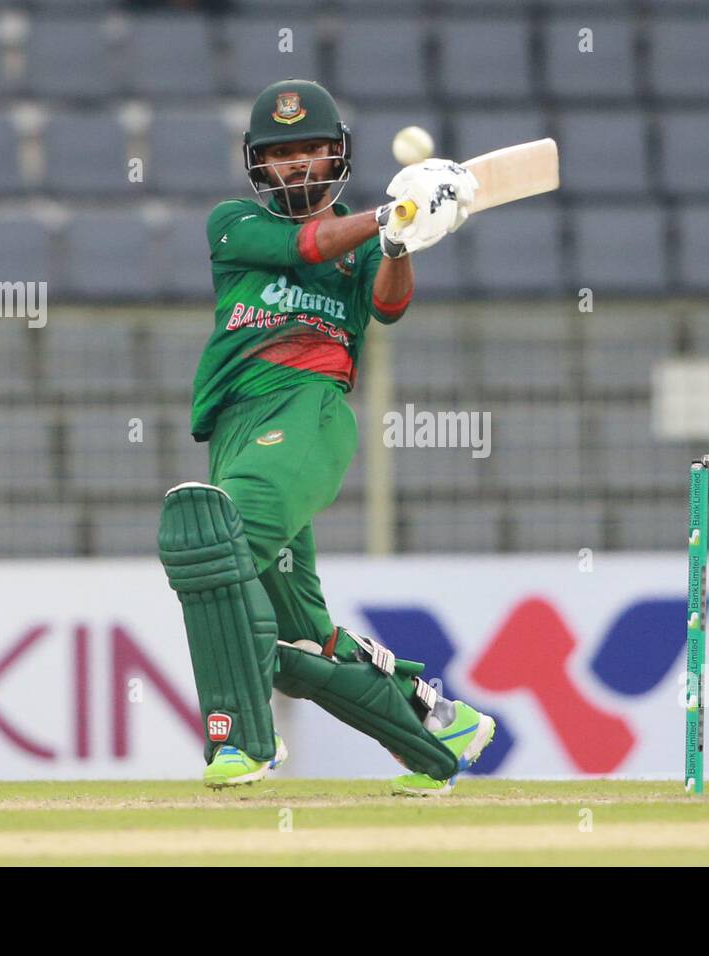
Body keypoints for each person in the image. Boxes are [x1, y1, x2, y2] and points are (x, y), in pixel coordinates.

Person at [157, 78, 495, 796]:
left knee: (212, 545)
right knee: (293, 641)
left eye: (313, 149)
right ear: (258, 165)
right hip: (236, 430)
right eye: (283, 154)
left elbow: (389, 306)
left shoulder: (368, 241)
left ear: (337, 155)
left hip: (305, 413)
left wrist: (401, 241)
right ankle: (438, 730)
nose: (300, 165)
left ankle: (243, 741)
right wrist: (389, 214)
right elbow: (306, 245)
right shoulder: (232, 226)